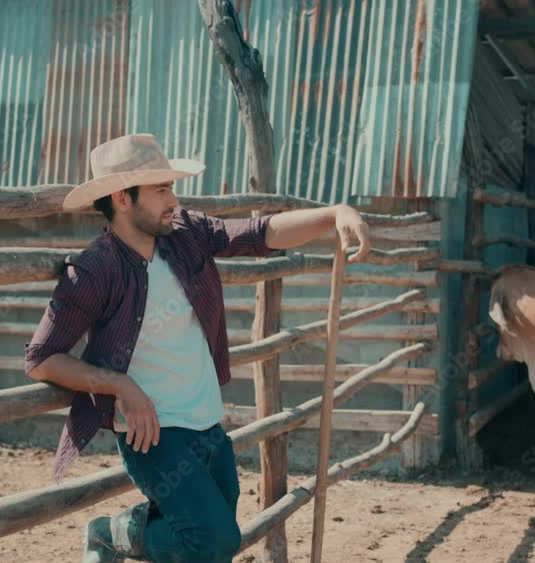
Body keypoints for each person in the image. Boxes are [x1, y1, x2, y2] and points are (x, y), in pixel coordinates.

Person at [24, 133, 371, 562]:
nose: (174, 198)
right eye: (161, 189)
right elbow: (41, 359)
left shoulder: (188, 234)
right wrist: (120, 385)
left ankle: (122, 529)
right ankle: (112, 531)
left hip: (208, 420)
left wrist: (333, 214)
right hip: (152, 433)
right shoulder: (95, 269)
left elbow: (261, 233)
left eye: (171, 186)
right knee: (214, 542)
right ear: (122, 198)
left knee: (206, 545)